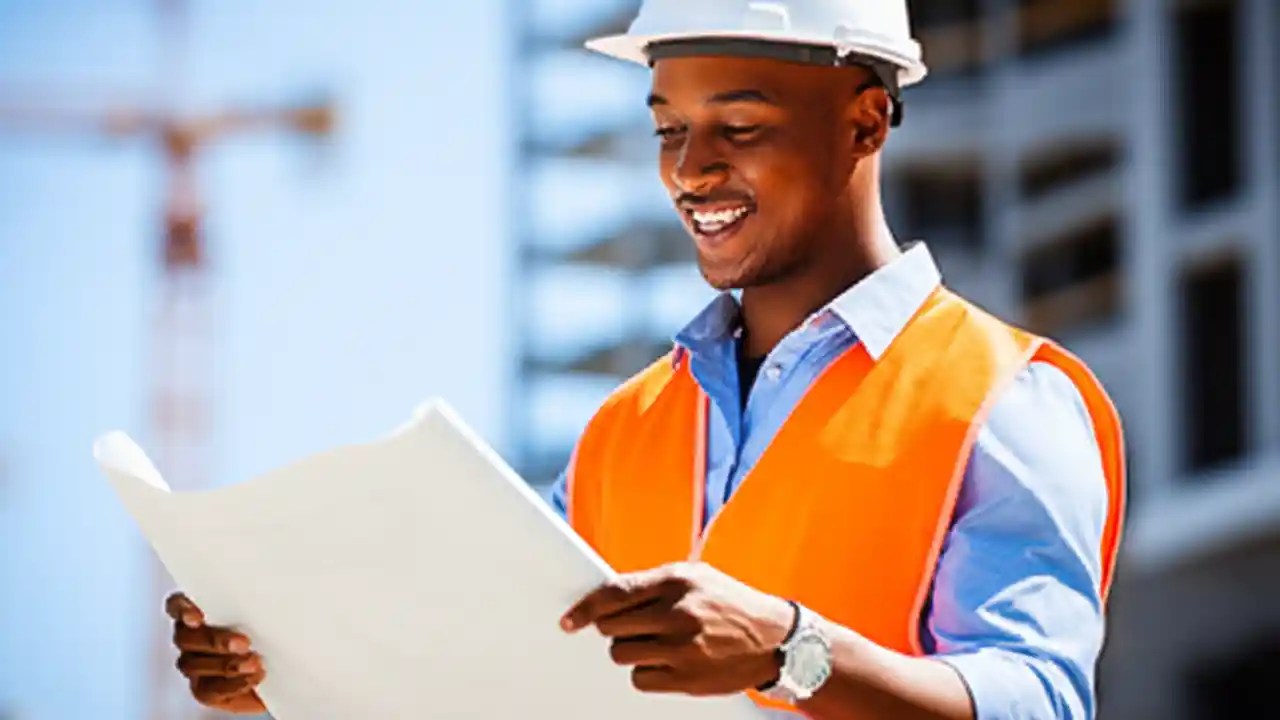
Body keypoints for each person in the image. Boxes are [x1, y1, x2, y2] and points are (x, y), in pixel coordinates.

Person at [164, 1, 1126, 718]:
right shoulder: (623, 433)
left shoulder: (1004, 397)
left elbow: (1036, 698)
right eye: (668, 128)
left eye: (738, 127)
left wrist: (788, 651)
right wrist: (291, 669)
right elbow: (496, 674)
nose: (689, 168)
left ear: (866, 121)